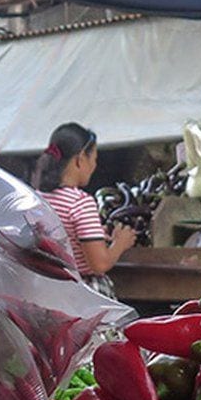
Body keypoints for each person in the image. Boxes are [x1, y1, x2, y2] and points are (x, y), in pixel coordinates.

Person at [32, 122, 137, 298]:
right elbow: (99, 264)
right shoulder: (80, 203)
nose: (94, 166)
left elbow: (62, 236)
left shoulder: (38, 197)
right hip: (83, 293)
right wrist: (120, 243)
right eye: (94, 159)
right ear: (80, 159)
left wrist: (94, 235)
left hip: (51, 289)